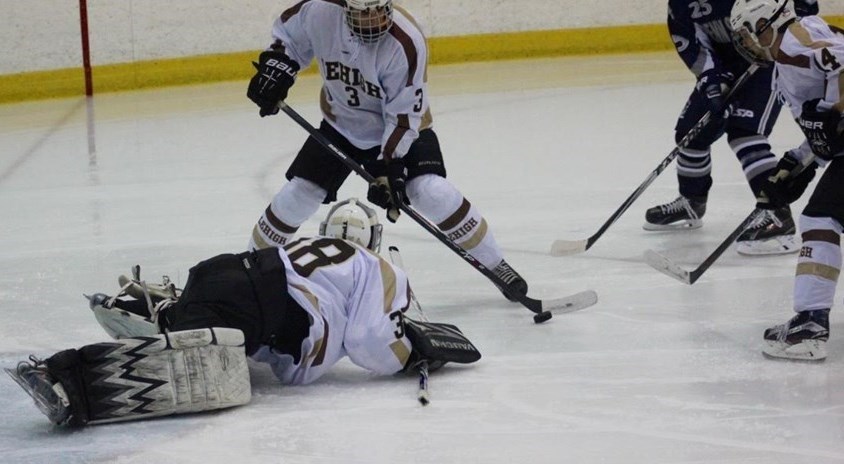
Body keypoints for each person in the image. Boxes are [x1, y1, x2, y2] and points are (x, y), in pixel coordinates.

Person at [6, 235, 481, 426]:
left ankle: (164, 311)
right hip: (259, 303)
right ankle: (62, 378)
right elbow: (371, 345)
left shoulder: (329, 253)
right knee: (180, 367)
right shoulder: (383, 273)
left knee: (200, 338)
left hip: (231, 273)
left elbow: (292, 360)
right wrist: (411, 354)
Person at [244, 0, 528, 301]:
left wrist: (388, 167)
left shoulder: (405, 42)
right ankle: (250, 272)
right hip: (341, 123)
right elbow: (288, 35)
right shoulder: (319, 12)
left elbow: (403, 118)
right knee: (299, 194)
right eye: (363, 12)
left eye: (379, 9)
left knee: (431, 191)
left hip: (401, 130)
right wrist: (278, 66)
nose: (374, 18)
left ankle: (497, 266)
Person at [644, 0, 819, 256]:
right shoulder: (681, 3)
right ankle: (692, 202)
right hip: (724, 67)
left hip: (765, 62)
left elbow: (803, 7)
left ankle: (777, 217)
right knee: (691, 133)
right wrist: (714, 83)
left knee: (745, 132)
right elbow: (692, 44)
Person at [729, 0, 843, 360]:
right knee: (825, 217)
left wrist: (832, 111)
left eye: (748, 31)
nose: (746, 42)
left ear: (766, 22)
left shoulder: (795, 39)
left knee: (821, 219)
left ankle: (810, 323)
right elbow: (826, 132)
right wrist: (796, 164)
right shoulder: (788, 55)